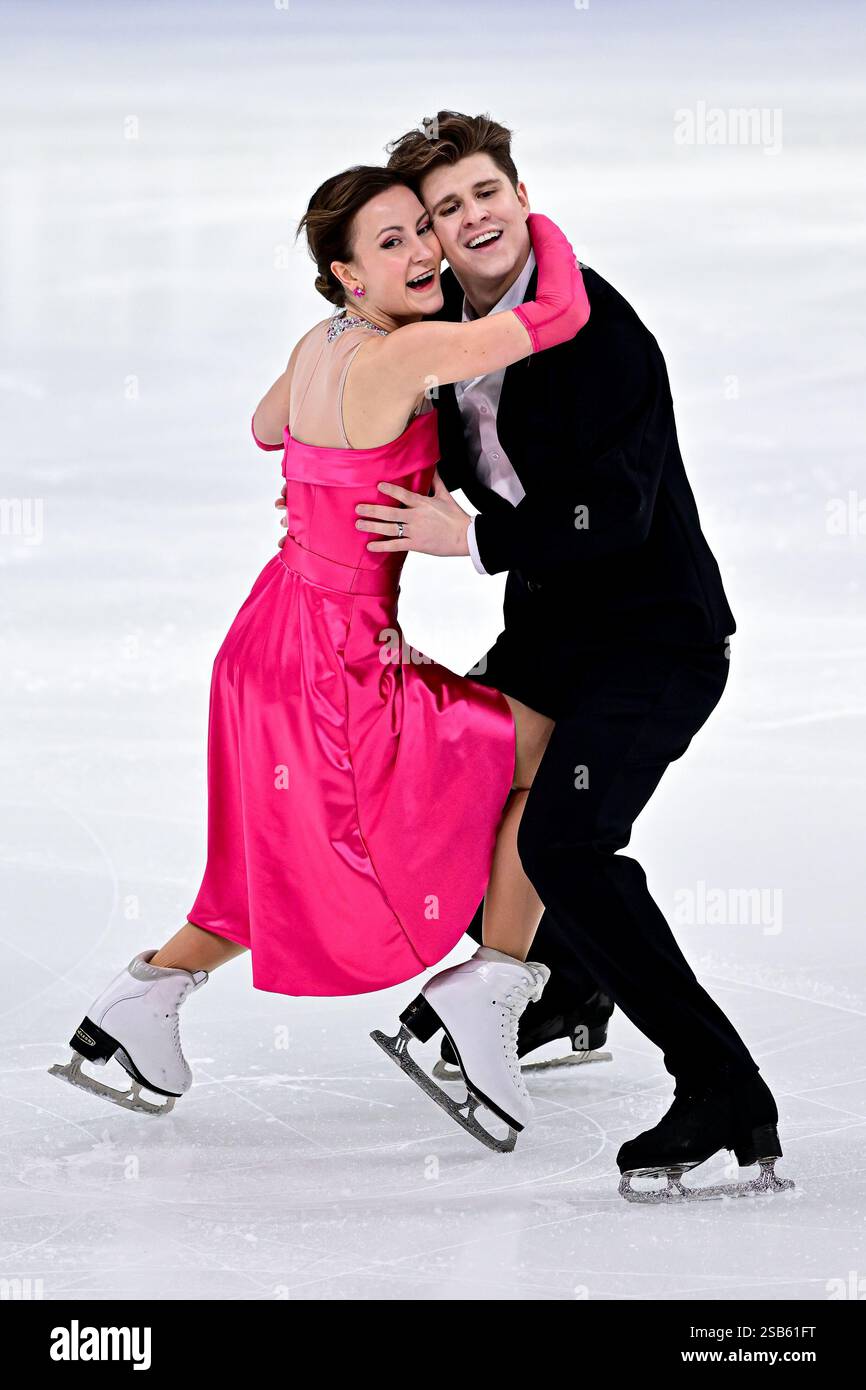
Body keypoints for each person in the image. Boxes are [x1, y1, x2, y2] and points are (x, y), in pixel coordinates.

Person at [49, 166, 590, 1154]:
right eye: (392, 243)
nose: (427, 248)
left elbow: (268, 427)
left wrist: (330, 482)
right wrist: (526, 212)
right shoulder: (408, 350)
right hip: (335, 669)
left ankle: (140, 999)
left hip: (267, 642)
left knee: (284, 863)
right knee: (549, 754)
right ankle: (487, 987)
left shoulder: (323, 342)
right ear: (346, 276)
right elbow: (551, 313)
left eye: (423, 229)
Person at [354, 112, 792, 1200]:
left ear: (518, 192)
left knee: (565, 841)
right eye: (446, 209)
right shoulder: (459, 329)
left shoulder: (597, 331)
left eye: (484, 192)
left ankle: (722, 1086)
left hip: (652, 640)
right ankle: (562, 990)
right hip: (553, 632)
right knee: (445, 790)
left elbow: (617, 512)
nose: (471, 218)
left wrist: (477, 540)